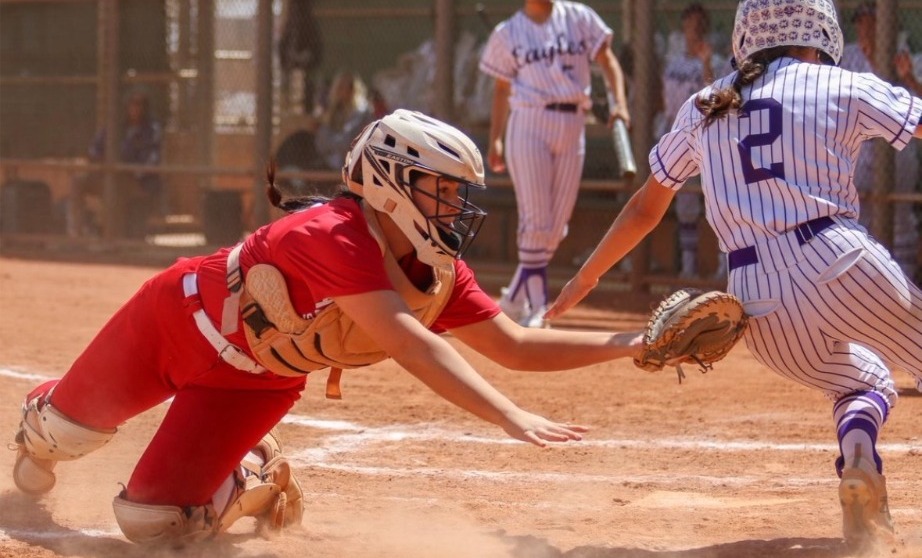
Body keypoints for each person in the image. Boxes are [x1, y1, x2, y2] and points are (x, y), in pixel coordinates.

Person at [12, 109, 653, 545]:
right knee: (59, 433)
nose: (456, 205)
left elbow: (515, 345)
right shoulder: (334, 232)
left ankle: (250, 474)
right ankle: (42, 424)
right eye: (442, 189)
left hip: (255, 382)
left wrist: (637, 343)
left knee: (150, 521)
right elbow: (408, 340)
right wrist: (509, 415)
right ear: (391, 182)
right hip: (175, 323)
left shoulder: (434, 270)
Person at [546, 0, 922, 550]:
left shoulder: (704, 102)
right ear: (823, 29)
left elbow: (646, 210)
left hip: (754, 299)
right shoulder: (842, 83)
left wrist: (585, 277)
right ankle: (861, 462)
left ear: (744, 36)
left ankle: (860, 459)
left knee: (863, 381)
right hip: (836, 257)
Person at [478, 0, 631, 328]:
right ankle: (537, 306)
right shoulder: (507, 33)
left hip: (573, 122)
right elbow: (501, 89)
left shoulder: (578, 16)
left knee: (555, 227)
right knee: (536, 221)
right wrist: (496, 139)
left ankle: (514, 298)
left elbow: (607, 59)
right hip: (529, 121)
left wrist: (619, 103)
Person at [840, 1, 921, 280]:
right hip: (861, 147)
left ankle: (905, 281)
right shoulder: (849, 55)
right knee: (858, 212)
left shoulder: (909, 56)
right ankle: (862, 283)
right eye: (860, 21)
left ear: (884, 23)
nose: (863, 27)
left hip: (898, 151)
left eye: (869, 20)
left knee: (897, 217)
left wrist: (908, 77)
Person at [659, 3, 730, 280]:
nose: (694, 29)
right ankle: (688, 266)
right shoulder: (674, 63)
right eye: (689, 23)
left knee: (720, 202)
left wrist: (706, 62)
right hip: (680, 134)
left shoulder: (719, 61)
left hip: (711, 135)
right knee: (686, 206)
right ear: (683, 27)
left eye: (699, 24)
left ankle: (724, 267)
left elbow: (716, 94)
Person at [67, 89, 164, 239]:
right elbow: (94, 148)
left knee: (115, 187)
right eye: (132, 104)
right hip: (108, 176)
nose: (135, 108)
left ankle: (109, 236)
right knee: (78, 181)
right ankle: (77, 233)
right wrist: (101, 161)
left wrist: (129, 170)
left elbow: (151, 159)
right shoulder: (116, 126)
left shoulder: (151, 129)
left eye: (139, 104)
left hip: (136, 181)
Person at [313, 70, 375, 170]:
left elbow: (348, 141)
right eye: (338, 87)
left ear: (353, 89)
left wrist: (333, 145)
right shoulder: (334, 111)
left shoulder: (362, 112)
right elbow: (321, 142)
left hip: (355, 161)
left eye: (343, 87)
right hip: (331, 160)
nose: (339, 91)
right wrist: (335, 146)